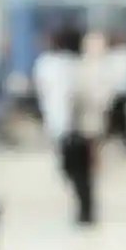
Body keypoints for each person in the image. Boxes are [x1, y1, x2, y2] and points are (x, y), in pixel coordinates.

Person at [35, 27, 103, 227]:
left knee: (78, 171)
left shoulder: (61, 67)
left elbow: (66, 98)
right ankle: (86, 208)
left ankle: (85, 209)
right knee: (81, 171)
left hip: (73, 128)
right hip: (83, 127)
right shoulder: (78, 65)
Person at [104, 34, 126, 154]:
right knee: (121, 120)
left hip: (119, 93)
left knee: (119, 120)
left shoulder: (119, 55)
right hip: (123, 92)